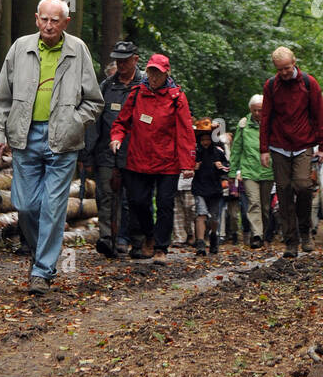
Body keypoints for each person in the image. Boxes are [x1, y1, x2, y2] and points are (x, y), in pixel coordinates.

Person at [0, 0, 103, 293]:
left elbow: (94, 101)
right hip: (24, 136)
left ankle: (42, 270)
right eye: (45, 19)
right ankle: (42, 256)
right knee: (25, 204)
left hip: (63, 139)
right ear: (36, 19)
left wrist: (74, 121)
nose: (49, 26)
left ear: (66, 23)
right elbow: (2, 98)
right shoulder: (20, 48)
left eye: (56, 21)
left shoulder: (78, 50)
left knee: (52, 206)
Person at [110, 54, 195, 258]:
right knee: (138, 202)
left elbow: (185, 132)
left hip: (167, 162)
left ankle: (161, 249)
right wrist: (117, 137)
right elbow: (121, 122)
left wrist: (188, 163)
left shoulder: (177, 97)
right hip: (138, 159)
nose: (154, 77)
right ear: (146, 71)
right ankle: (150, 235)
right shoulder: (137, 93)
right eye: (151, 72)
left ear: (167, 73)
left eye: (159, 73)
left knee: (165, 204)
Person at [259, 47, 323, 258]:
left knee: (302, 185)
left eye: (287, 68)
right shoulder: (271, 86)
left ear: (295, 62)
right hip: (279, 146)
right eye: (279, 69)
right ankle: (291, 241)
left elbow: (320, 115)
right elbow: (266, 118)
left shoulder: (309, 83)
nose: (284, 73)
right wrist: (264, 149)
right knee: (283, 192)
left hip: (303, 145)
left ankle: (305, 231)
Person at [83, 40, 146, 257]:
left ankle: (135, 241)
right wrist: (87, 154)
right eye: (118, 60)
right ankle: (107, 239)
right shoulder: (106, 87)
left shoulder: (146, 84)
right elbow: (94, 123)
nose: (120, 64)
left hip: (138, 153)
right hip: (107, 152)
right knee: (107, 196)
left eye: (125, 60)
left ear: (135, 60)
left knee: (135, 198)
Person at [232, 95, 271, 249]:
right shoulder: (243, 125)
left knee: (266, 207)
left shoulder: (272, 123)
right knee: (254, 203)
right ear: (250, 110)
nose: (257, 113)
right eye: (254, 110)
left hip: (268, 170)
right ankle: (257, 235)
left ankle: (266, 233)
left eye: (260, 110)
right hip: (249, 171)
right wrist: (232, 172)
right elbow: (236, 149)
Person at [192, 118, 228, 255]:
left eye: (208, 140)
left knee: (214, 217)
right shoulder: (195, 152)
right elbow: (187, 168)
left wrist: (221, 168)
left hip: (214, 188)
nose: (205, 142)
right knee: (201, 214)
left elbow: (227, 167)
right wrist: (193, 168)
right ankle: (200, 243)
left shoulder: (218, 152)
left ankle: (214, 237)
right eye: (203, 140)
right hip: (199, 187)